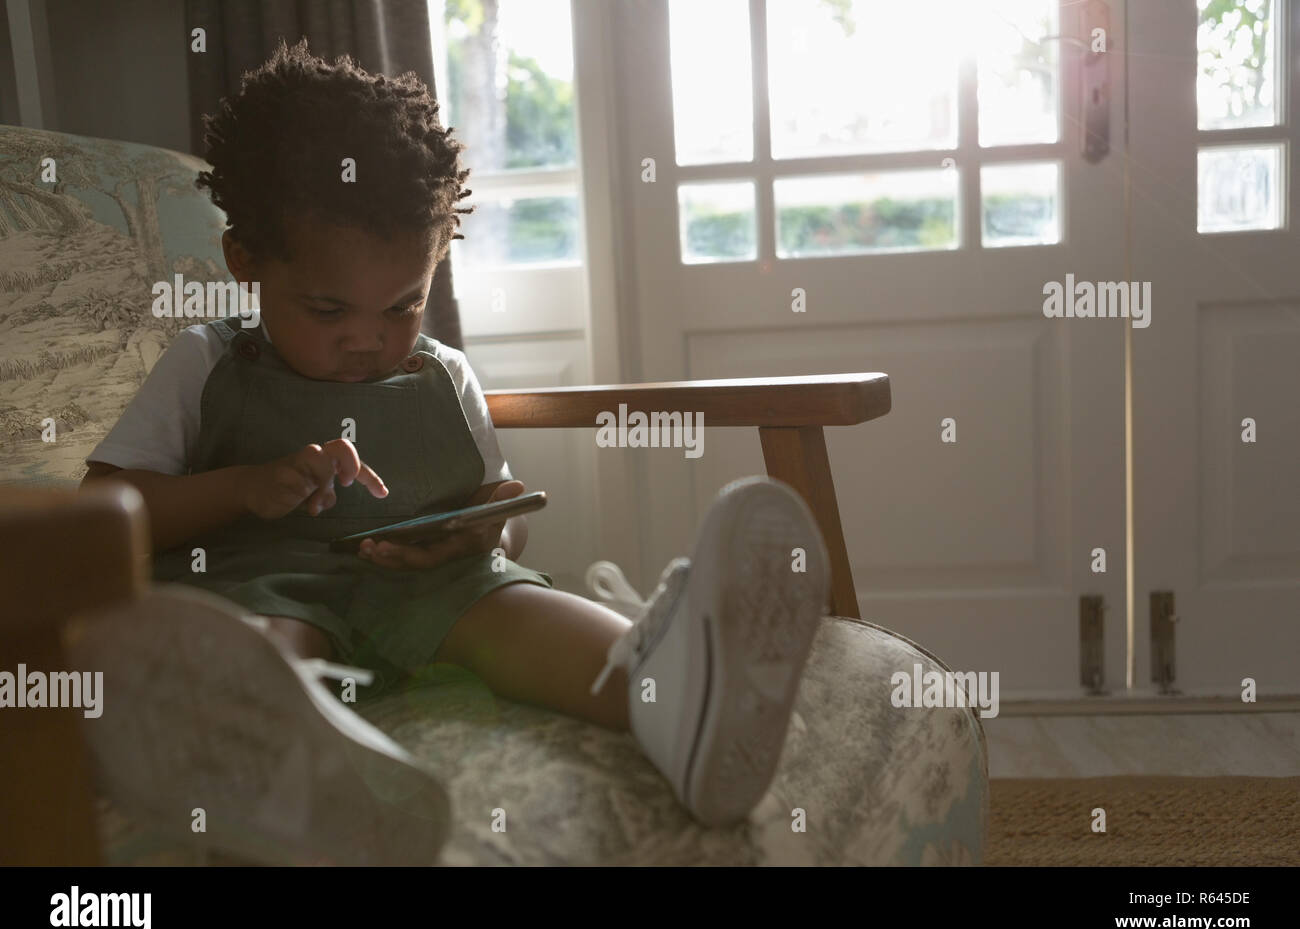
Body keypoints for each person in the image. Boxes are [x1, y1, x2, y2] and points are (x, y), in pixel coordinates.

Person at [77, 39, 829, 864]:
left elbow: (502, 512)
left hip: (430, 588)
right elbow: (106, 516)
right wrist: (244, 488)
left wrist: (486, 532)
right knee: (255, 651)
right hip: (266, 580)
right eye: (328, 310)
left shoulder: (445, 375)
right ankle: (278, 771)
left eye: (405, 305)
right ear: (245, 263)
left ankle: (679, 699)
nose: (368, 340)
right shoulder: (206, 360)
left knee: (520, 608)